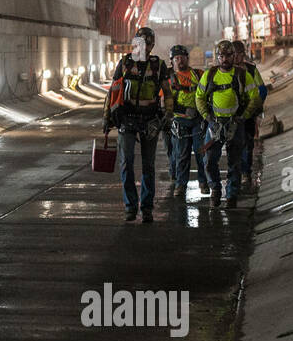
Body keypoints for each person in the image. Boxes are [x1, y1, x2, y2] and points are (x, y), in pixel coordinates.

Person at [102, 26, 173, 222]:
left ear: (152, 45)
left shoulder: (158, 65)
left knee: (149, 166)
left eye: (148, 43)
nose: (145, 46)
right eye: (141, 42)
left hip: (150, 120)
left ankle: (147, 207)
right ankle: (130, 206)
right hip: (127, 120)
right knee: (126, 164)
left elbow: (167, 93)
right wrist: (107, 117)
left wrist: (168, 114)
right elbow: (113, 91)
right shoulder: (124, 63)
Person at [196, 39, 259, 209]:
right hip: (214, 124)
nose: (225, 59)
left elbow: (254, 97)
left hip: (235, 125)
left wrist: (243, 116)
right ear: (218, 57)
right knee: (209, 161)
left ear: (233, 56)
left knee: (235, 162)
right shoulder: (209, 75)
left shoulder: (242, 75)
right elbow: (199, 97)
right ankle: (216, 190)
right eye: (221, 56)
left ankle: (231, 195)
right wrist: (206, 116)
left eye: (228, 55)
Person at [166, 45, 205, 196]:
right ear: (172, 62)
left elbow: (207, 92)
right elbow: (166, 103)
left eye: (182, 57)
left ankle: (203, 183)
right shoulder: (170, 79)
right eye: (176, 58)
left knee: (202, 153)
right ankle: (181, 186)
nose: (180, 61)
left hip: (198, 120)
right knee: (182, 155)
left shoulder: (198, 74)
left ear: (187, 59)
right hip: (180, 121)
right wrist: (183, 110)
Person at [232, 40, 266, 193]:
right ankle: (235, 174)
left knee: (247, 143)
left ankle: (245, 173)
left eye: (239, 54)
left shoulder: (251, 70)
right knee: (232, 145)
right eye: (234, 54)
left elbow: (262, 89)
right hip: (230, 115)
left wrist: (256, 106)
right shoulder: (223, 71)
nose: (237, 58)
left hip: (248, 114)